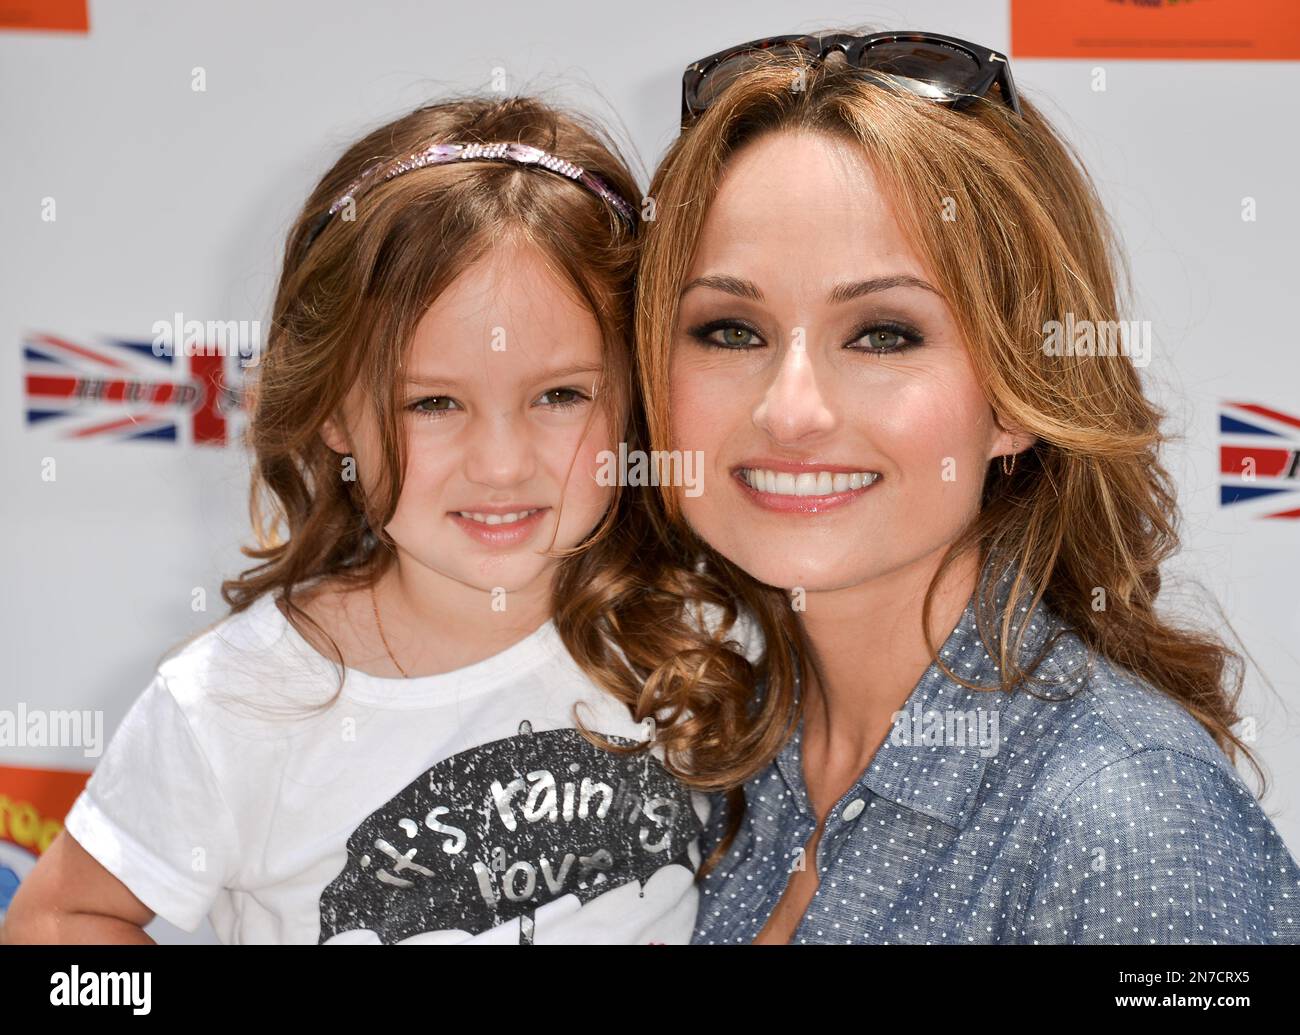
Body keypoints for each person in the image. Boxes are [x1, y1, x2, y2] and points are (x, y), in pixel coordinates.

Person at [606, 28, 1300, 943]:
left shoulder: (1128, 814)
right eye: (732, 330)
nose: (790, 410)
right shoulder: (715, 759)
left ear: (1018, 395)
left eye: (883, 334)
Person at [2, 96, 716, 945]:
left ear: (635, 391)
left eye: (560, 394)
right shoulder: (237, 701)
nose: (501, 463)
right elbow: (57, 922)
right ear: (333, 409)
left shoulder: (702, 632)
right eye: (432, 402)